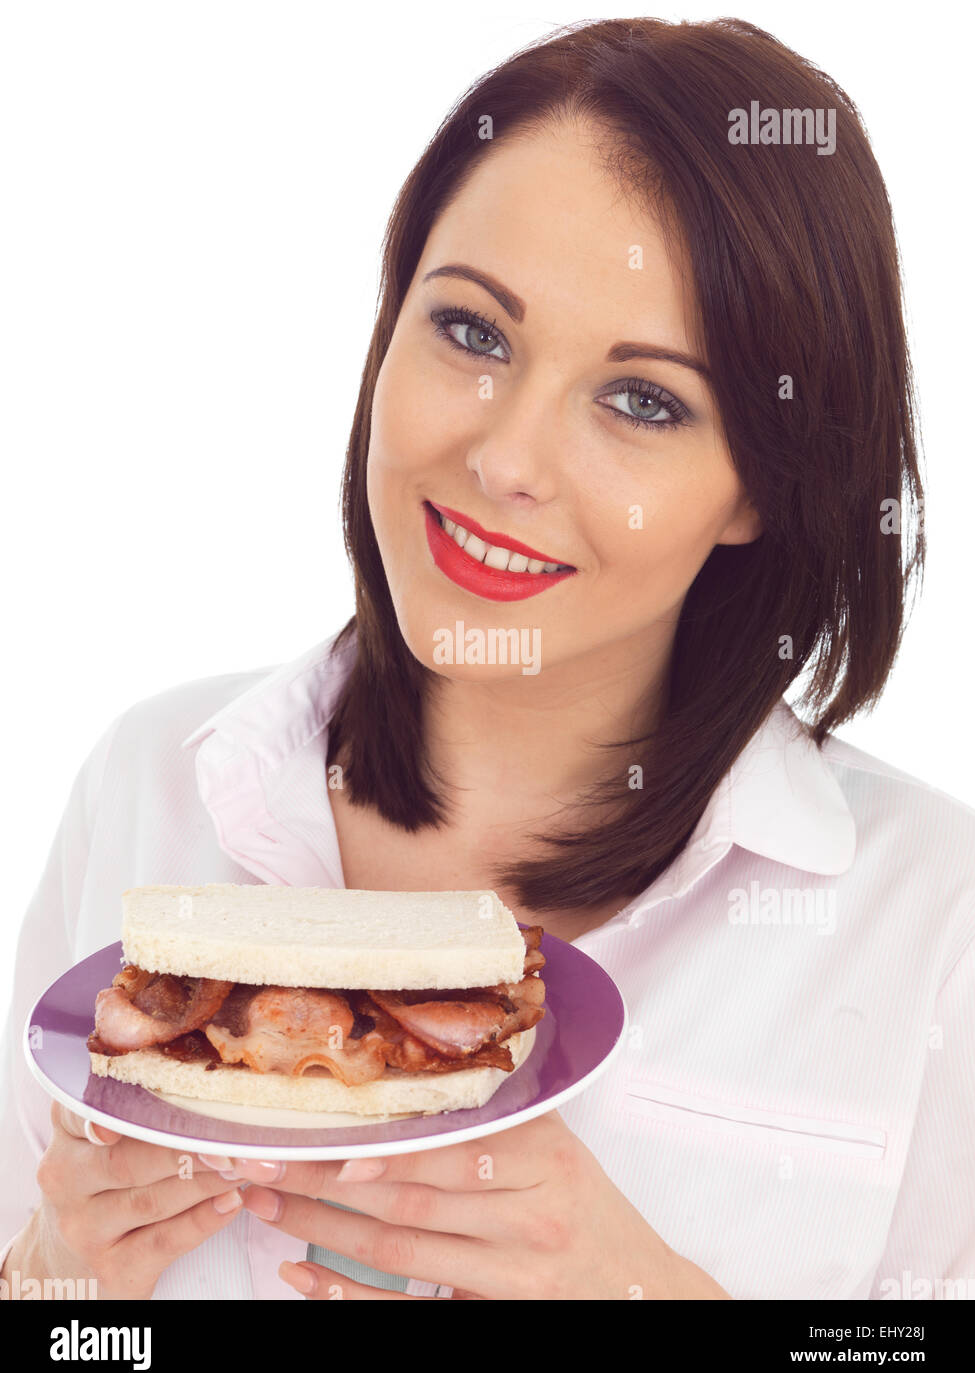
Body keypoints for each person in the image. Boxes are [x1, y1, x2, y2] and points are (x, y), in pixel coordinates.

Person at [2, 16, 973, 1301]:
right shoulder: (151, 782)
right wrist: (58, 1284)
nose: (508, 459)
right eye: (473, 332)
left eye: (644, 400)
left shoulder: (932, 923)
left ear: (762, 485)